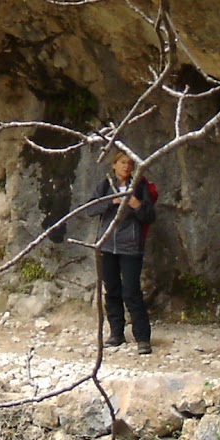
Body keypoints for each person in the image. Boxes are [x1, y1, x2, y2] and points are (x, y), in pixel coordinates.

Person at [85, 148, 155, 355]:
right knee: (112, 290)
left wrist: (136, 204)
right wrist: (111, 201)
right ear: (114, 165)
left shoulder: (139, 186)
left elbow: (150, 216)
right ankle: (116, 333)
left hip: (131, 246)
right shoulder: (105, 185)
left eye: (129, 164)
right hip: (106, 245)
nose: (126, 166)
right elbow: (90, 209)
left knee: (132, 291)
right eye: (122, 162)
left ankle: (142, 338)